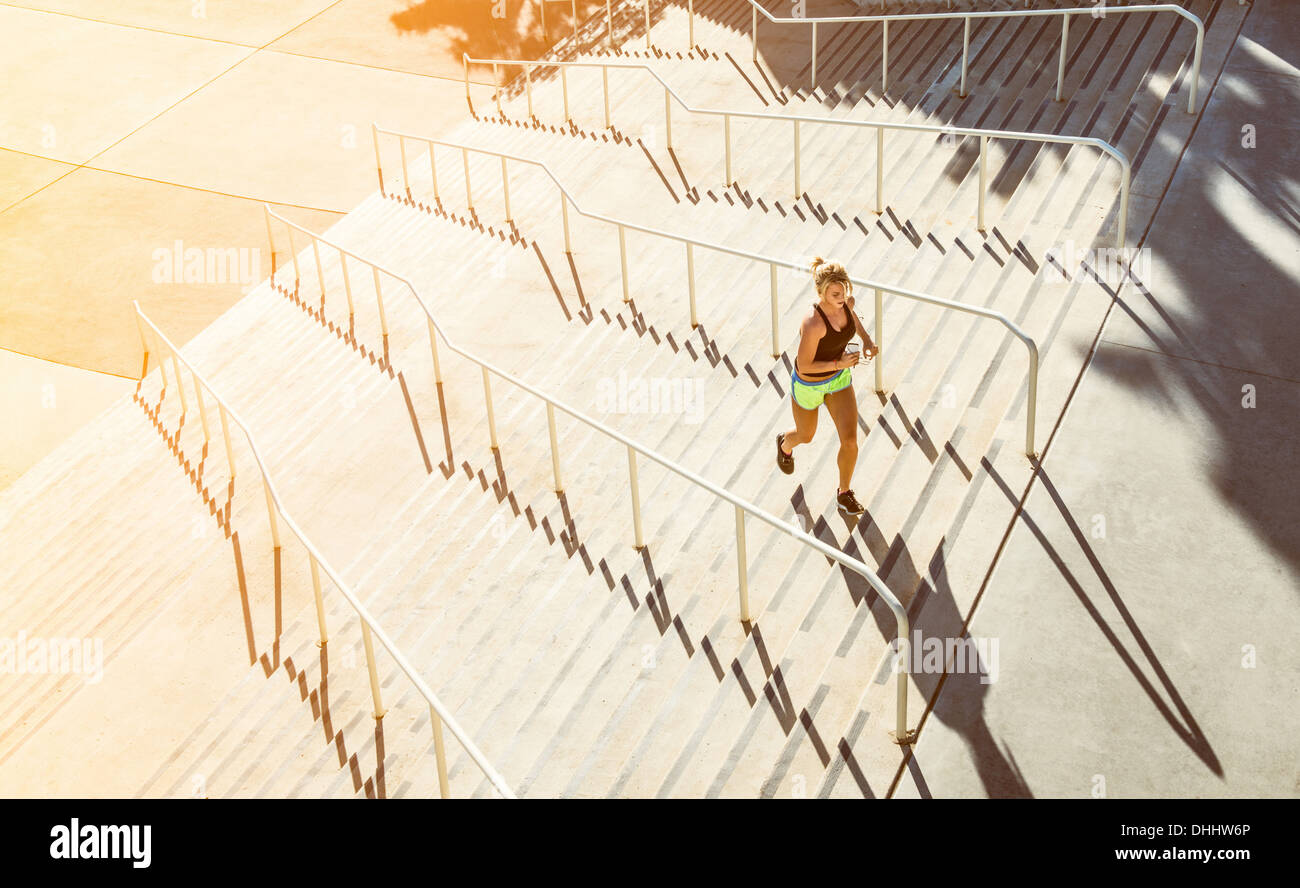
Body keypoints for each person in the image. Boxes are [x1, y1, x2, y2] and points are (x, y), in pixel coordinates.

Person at [776, 257, 877, 516]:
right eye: (835, 293)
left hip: (838, 380)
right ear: (821, 292)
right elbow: (805, 365)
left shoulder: (846, 304)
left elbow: (853, 317)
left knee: (851, 441)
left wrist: (866, 339)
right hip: (809, 385)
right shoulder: (813, 322)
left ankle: (844, 493)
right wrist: (838, 361)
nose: (842, 297)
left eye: (844, 290)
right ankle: (785, 444)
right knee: (805, 436)